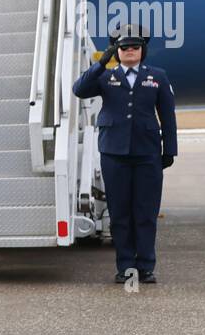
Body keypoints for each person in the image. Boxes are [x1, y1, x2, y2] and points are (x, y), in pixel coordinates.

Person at [72, 24, 177, 284]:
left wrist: (169, 150)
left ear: (143, 50)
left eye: (135, 47)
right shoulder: (105, 77)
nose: (130, 51)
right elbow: (79, 89)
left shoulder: (158, 76)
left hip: (147, 153)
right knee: (120, 213)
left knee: (146, 212)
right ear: (116, 51)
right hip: (114, 153)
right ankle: (126, 266)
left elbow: (168, 116)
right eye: (124, 47)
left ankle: (146, 266)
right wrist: (101, 62)